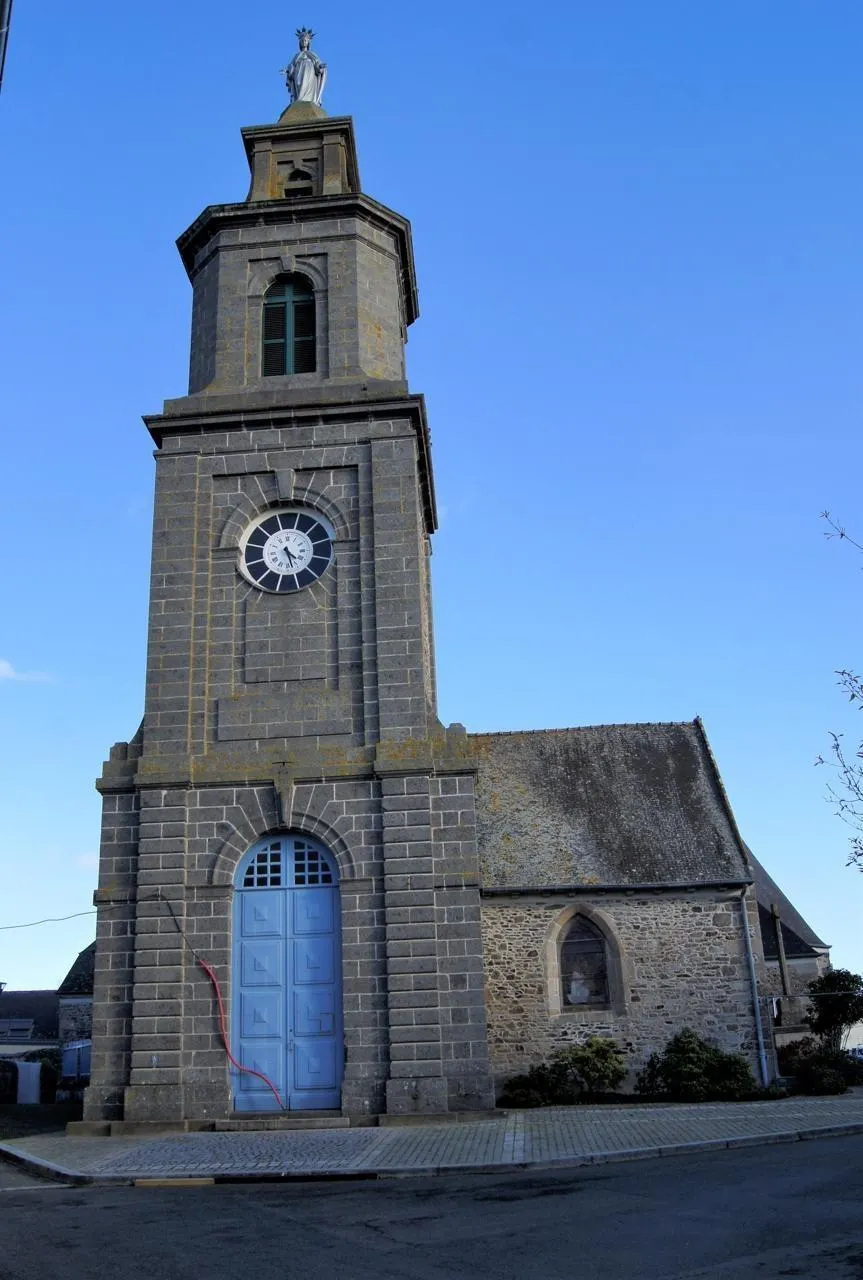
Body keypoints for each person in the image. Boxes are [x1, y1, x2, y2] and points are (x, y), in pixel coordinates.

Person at [283, 28, 327, 106]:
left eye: (305, 40)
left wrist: (320, 67)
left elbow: (317, 64)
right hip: (298, 72)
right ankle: (299, 99)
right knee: (300, 86)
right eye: (302, 40)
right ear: (300, 43)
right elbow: (292, 66)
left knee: (307, 86)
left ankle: (309, 100)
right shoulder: (296, 56)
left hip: (309, 72)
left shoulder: (312, 54)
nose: (304, 42)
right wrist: (288, 71)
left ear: (308, 42)